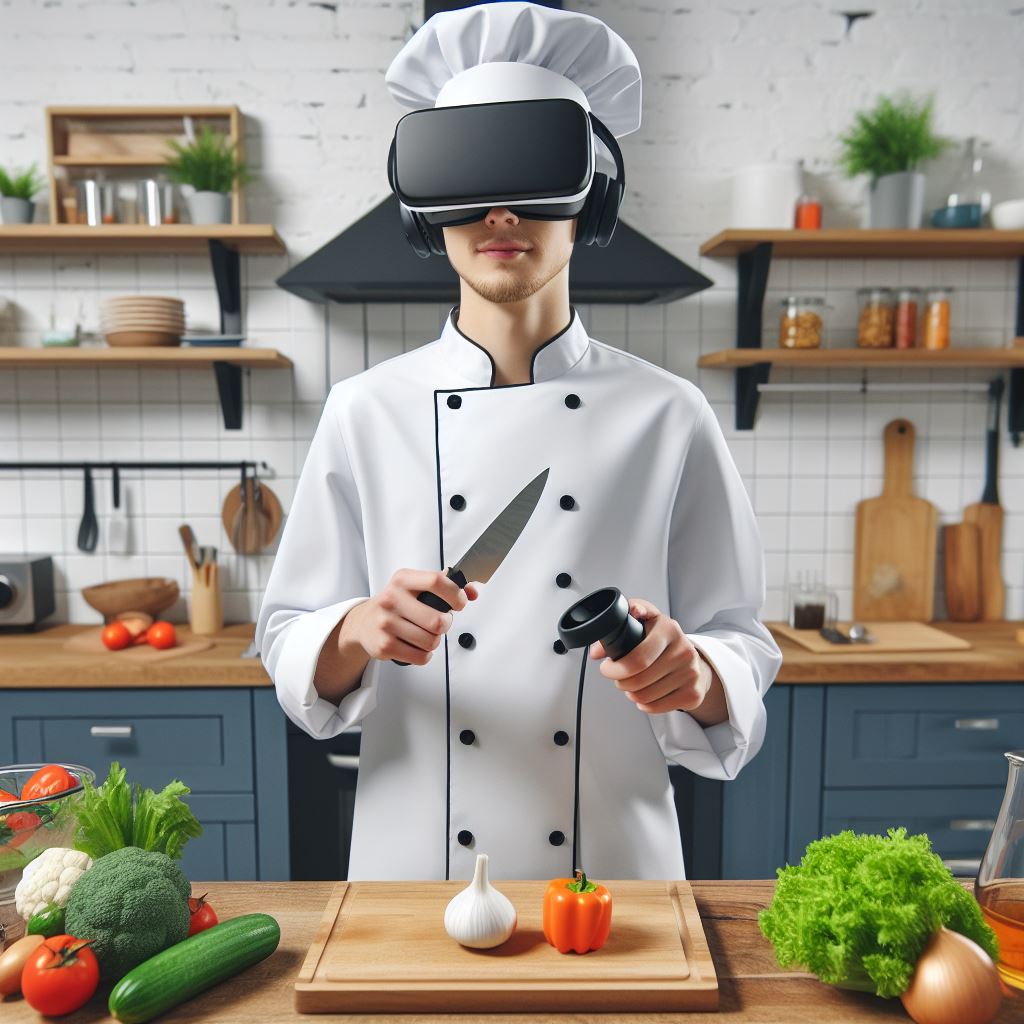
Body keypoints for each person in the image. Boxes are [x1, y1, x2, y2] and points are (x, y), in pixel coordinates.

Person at [256, 1, 783, 883]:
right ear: (428, 212)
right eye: (467, 182)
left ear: (593, 203)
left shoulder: (669, 413)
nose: (500, 212)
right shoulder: (362, 410)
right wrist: (355, 627)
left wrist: (697, 674)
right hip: (413, 865)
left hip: (614, 864)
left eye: (534, 180)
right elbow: (287, 636)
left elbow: (740, 637)